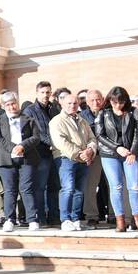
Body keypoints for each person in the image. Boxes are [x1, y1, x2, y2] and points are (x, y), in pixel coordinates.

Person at [0, 90, 42, 232]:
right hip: (6, 159)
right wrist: (14, 148)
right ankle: (10, 219)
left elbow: (36, 137)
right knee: (10, 190)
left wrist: (22, 146)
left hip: (27, 158)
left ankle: (32, 219)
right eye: (8, 104)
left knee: (26, 188)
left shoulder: (28, 119)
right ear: (3, 106)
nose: (12, 107)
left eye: (13, 103)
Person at [95, 87, 138, 231]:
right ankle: (120, 221)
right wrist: (117, 147)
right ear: (110, 100)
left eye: (121, 102)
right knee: (116, 187)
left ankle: (137, 220)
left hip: (131, 153)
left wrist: (133, 151)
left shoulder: (134, 112)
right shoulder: (103, 114)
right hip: (110, 154)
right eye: (115, 102)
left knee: (134, 186)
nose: (118, 105)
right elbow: (100, 135)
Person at [48, 88, 97, 233]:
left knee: (79, 191)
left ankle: (76, 218)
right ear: (62, 104)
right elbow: (60, 142)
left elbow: (92, 138)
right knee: (68, 188)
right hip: (66, 158)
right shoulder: (56, 121)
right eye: (69, 103)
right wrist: (79, 154)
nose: (73, 106)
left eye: (75, 103)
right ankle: (65, 219)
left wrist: (90, 150)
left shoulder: (82, 120)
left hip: (83, 159)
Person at [22, 80, 61, 226]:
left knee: (54, 186)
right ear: (37, 93)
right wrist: (52, 143)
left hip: (55, 153)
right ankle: (40, 217)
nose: (46, 95)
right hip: (40, 153)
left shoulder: (54, 109)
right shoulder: (30, 110)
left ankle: (54, 217)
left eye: (48, 92)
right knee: (40, 186)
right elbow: (35, 132)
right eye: (43, 92)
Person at [80, 89, 112, 228]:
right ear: (87, 102)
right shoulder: (82, 117)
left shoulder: (109, 113)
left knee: (113, 185)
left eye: (98, 99)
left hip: (111, 155)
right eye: (92, 100)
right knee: (91, 187)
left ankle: (114, 214)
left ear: (103, 99)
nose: (95, 102)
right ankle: (91, 215)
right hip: (94, 156)